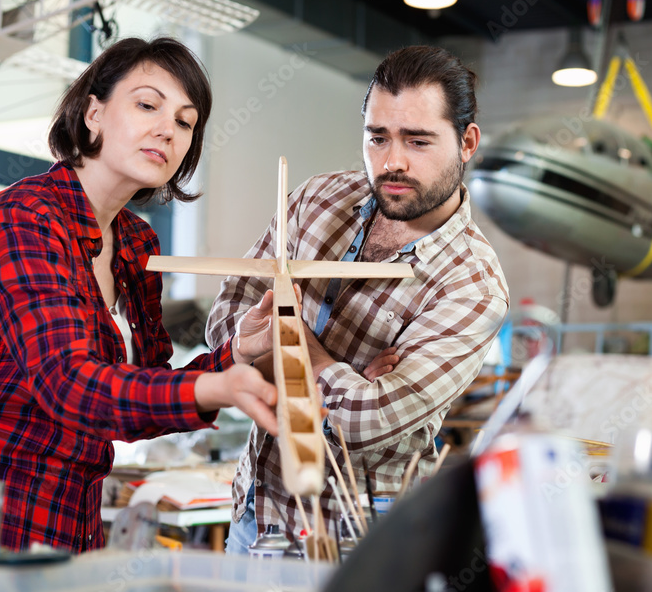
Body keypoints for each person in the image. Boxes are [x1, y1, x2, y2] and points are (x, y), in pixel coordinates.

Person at [0, 37, 280, 553]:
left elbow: (140, 393)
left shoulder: (137, 243)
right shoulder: (23, 218)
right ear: (94, 114)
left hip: (69, 519)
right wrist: (218, 389)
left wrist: (239, 354)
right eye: (148, 105)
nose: (168, 129)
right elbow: (68, 383)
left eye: (185, 122)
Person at [206, 45, 510, 552]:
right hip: (256, 511)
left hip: (358, 540)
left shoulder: (473, 286)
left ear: (467, 143)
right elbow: (225, 323)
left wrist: (290, 343)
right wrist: (342, 375)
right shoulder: (315, 199)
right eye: (377, 137)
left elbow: (364, 423)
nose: (393, 161)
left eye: (418, 141)